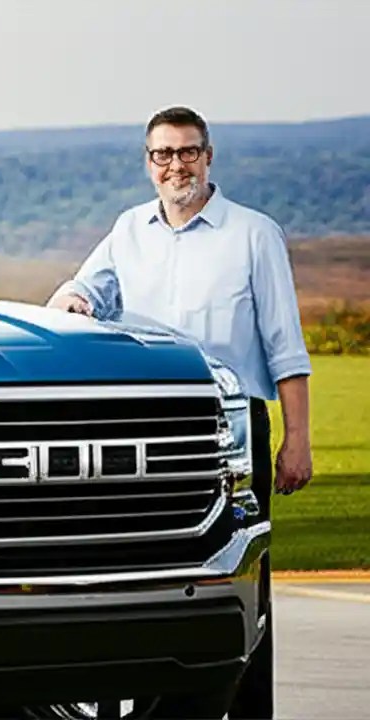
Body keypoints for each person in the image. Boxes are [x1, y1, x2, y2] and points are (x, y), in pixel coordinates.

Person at [47, 105, 313, 719]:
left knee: (242, 584)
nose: (177, 165)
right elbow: (85, 289)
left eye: (188, 151)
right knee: (148, 576)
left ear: (209, 156)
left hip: (234, 427)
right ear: (148, 164)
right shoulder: (128, 230)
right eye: (163, 154)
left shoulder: (253, 233)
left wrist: (296, 441)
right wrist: (75, 301)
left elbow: (286, 349)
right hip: (148, 428)